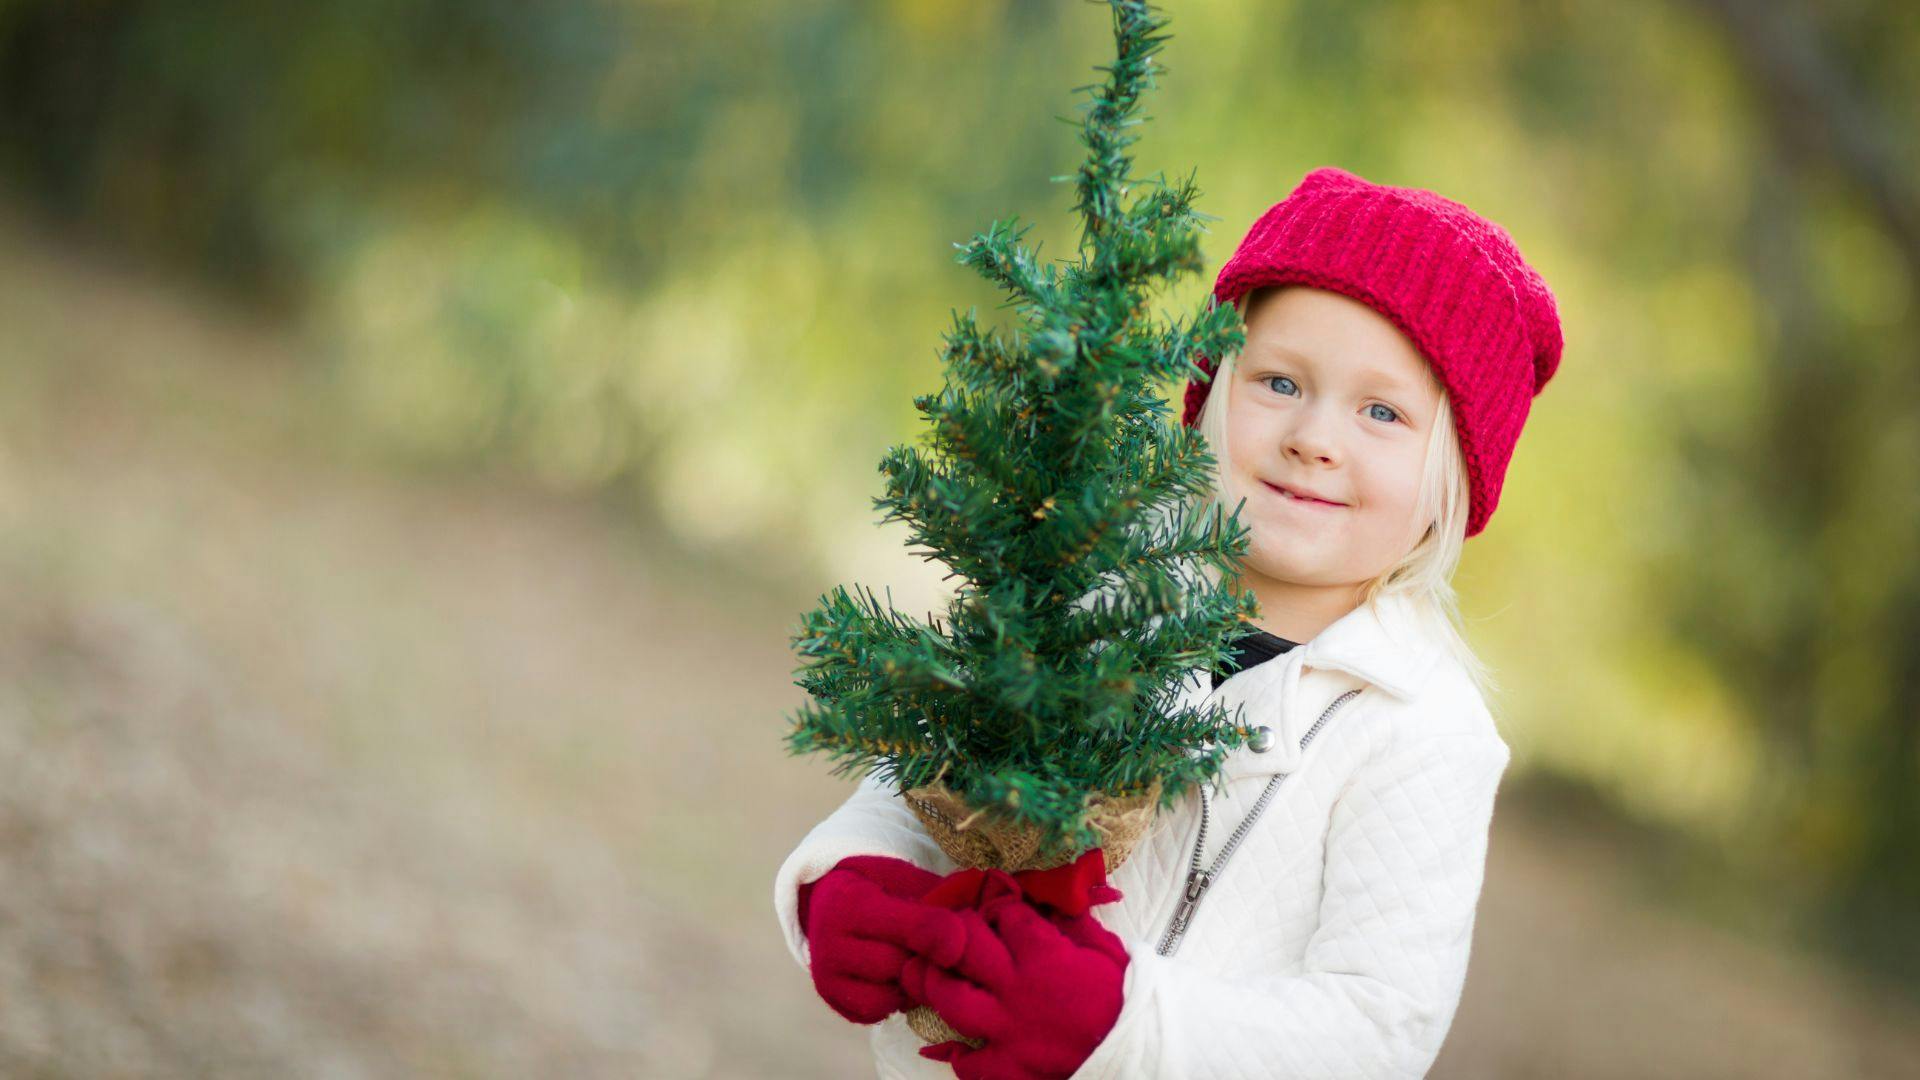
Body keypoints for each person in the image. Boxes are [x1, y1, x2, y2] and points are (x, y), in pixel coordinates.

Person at [773, 164, 1565, 1079]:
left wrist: (1124, 1026)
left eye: (1382, 411)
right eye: (1279, 382)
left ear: (1453, 475)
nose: (1314, 437)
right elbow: (949, 769)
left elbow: (1376, 1028)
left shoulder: (1422, 730)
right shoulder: (1103, 585)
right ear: (1211, 389)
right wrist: (852, 871)